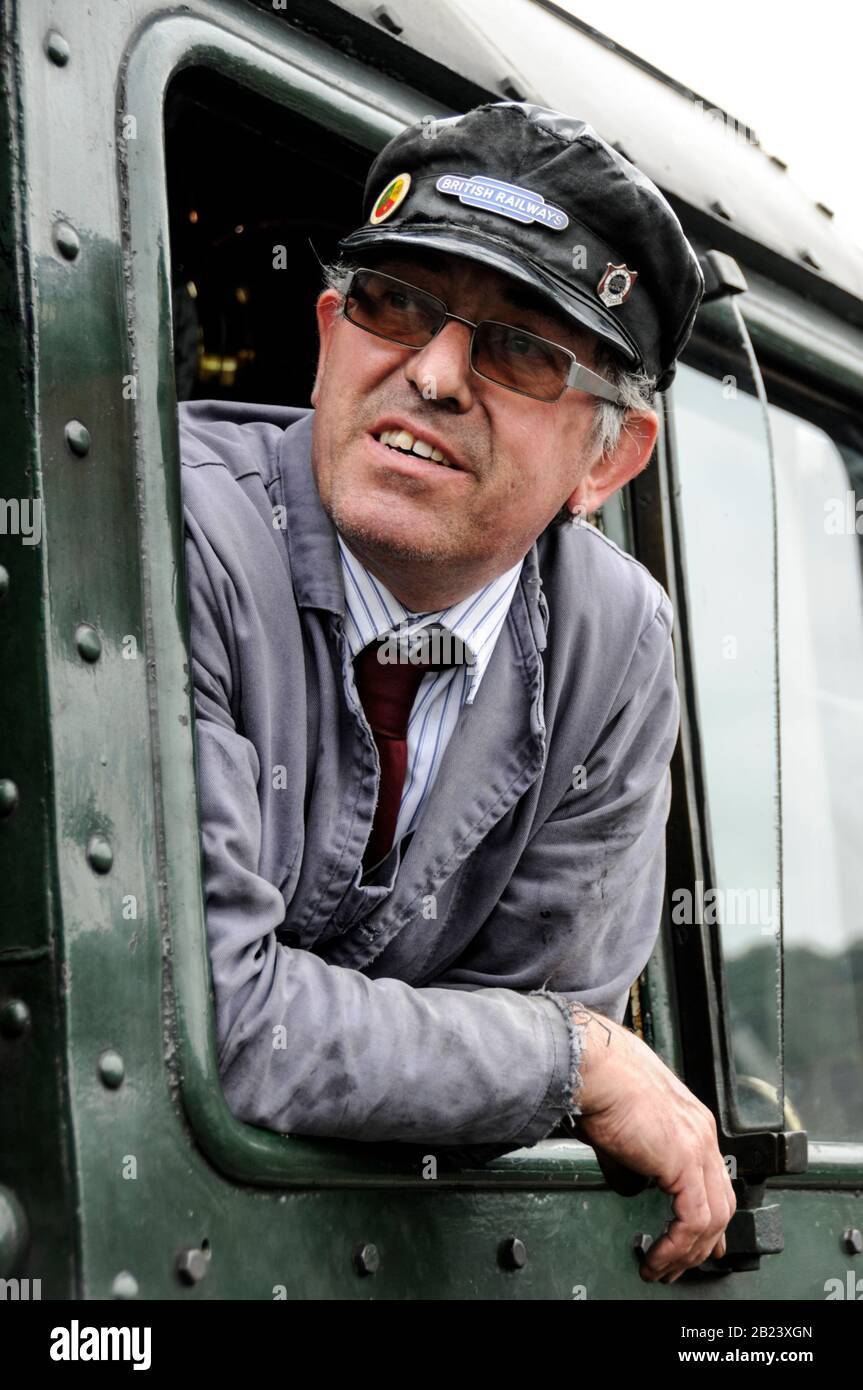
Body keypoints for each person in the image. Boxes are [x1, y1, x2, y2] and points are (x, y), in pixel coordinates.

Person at [179, 101, 736, 1283]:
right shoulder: (169, 529)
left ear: (607, 461)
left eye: (521, 348)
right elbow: (202, 1018)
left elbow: (520, 1070)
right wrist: (573, 1060)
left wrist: (534, 1055)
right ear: (330, 330)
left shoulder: (617, 648)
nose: (430, 374)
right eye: (392, 306)